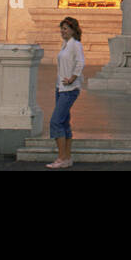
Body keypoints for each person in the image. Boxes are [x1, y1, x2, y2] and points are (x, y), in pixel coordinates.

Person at [48, 17, 85, 169]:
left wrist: (72, 78)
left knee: (55, 121)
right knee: (63, 122)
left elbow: (80, 62)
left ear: (73, 30)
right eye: (61, 29)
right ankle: (67, 157)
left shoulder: (75, 45)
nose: (63, 31)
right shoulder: (65, 45)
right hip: (61, 88)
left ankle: (61, 157)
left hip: (69, 89)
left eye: (65, 29)